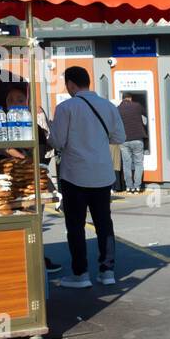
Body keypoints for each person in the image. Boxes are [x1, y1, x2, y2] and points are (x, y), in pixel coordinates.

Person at [49, 66, 125, 287]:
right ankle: (107, 271)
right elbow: (119, 136)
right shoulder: (108, 106)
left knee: (75, 225)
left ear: (71, 84)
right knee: (104, 223)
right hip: (102, 174)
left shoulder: (65, 108)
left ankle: (81, 274)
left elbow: (58, 142)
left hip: (75, 175)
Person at [118, 94, 148, 194]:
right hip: (137, 139)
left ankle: (128, 187)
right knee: (138, 163)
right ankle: (137, 187)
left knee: (127, 164)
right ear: (130, 98)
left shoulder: (118, 109)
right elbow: (147, 113)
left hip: (124, 140)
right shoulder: (137, 106)